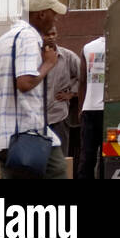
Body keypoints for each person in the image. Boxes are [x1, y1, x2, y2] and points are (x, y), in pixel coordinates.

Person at [0, 0, 68, 179]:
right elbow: (24, 82)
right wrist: (48, 63)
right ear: (41, 14)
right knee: (57, 170)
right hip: (26, 133)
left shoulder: (4, 39)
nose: (56, 18)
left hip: (3, 136)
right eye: (53, 13)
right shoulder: (29, 37)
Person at [42, 26, 80, 177]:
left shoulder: (67, 56)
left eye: (53, 34)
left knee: (60, 158)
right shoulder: (34, 57)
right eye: (47, 34)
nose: (51, 37)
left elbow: (83, 75)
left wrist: (72, 93)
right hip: (37, 117)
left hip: (59, 114)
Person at [77, 34, 106, 179]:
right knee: (109, 156)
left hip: (89, 108)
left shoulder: (88, 47)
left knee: (87, 155)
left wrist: (81, 108)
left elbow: (82, 81)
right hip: (112, 109)